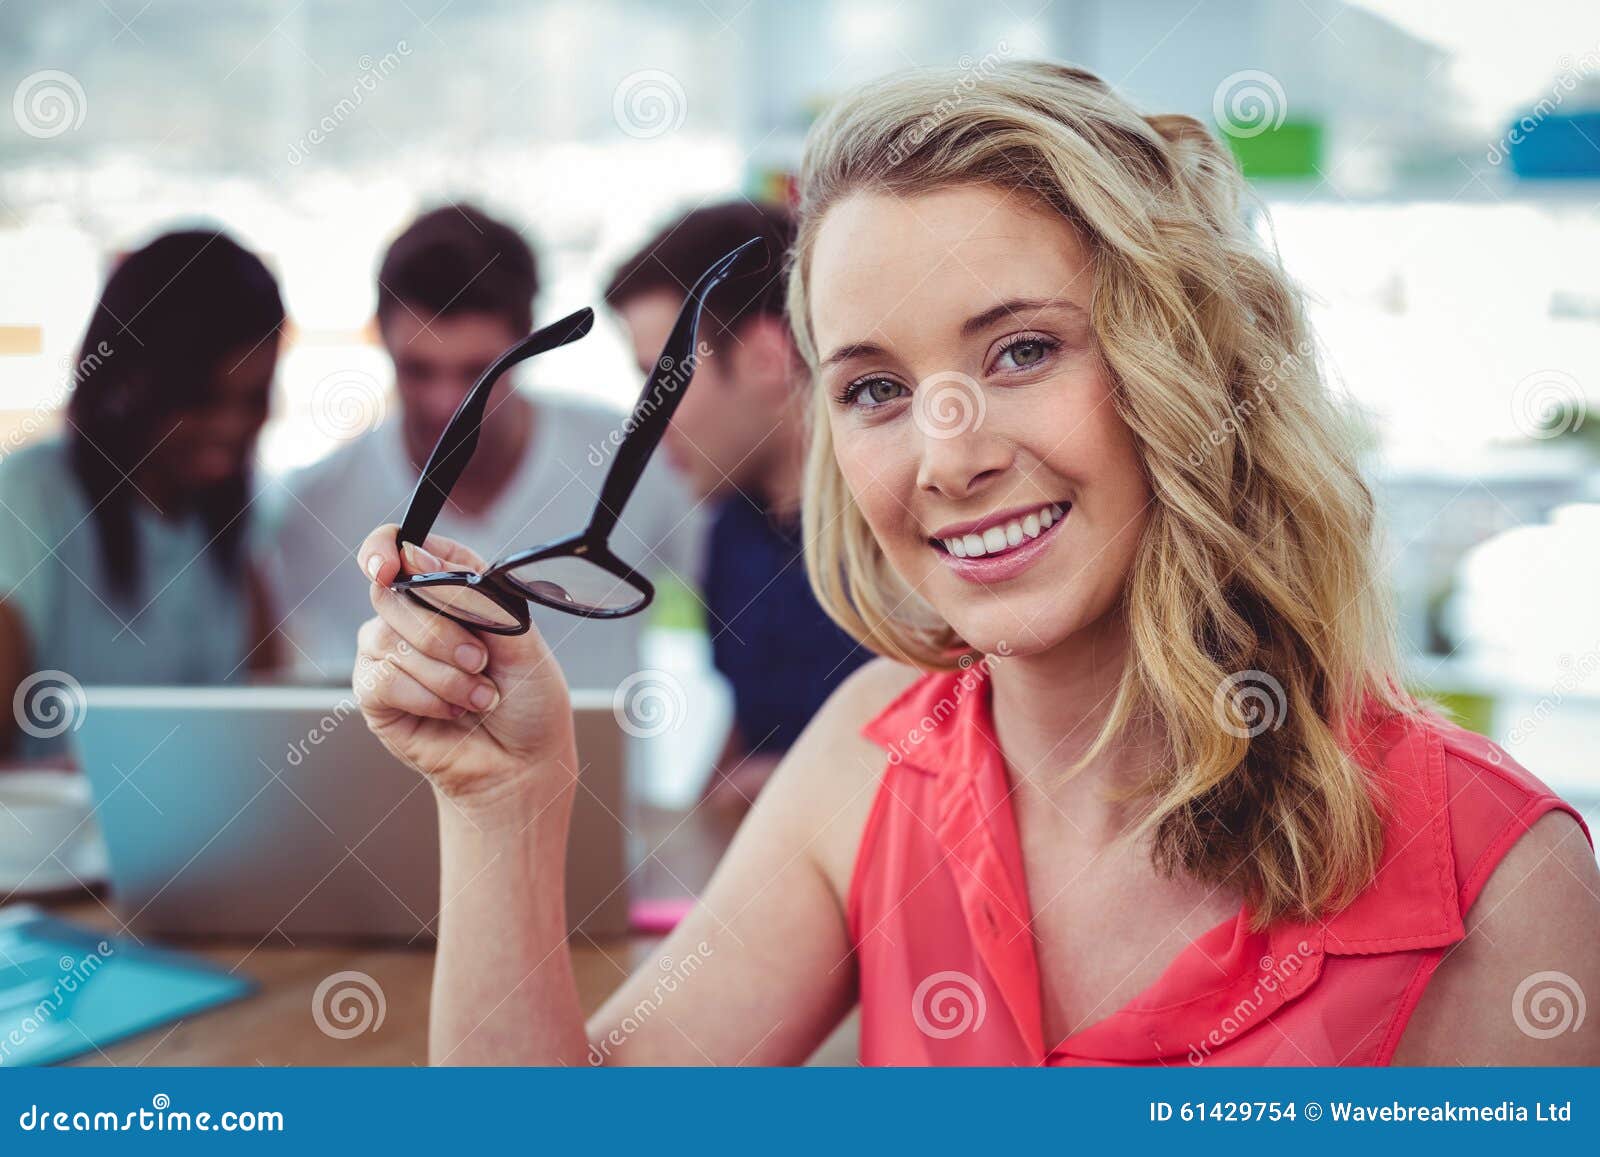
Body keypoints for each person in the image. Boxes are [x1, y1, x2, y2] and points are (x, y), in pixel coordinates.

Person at [351, 62, 1600, 1065]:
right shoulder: (868, 756)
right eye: (878, 388)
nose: (944, 459)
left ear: (1185, 367)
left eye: (1019, 353)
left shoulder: (1504, 880)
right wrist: (502, 805)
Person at [268, 204, 704, 689]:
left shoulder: (639, 460)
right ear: (382, 340)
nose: (446, 405)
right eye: (418, 369)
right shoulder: (314, 504)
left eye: (478, 374)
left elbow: (744, 616)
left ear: (529, 341)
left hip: (590, 766)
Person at [605, 203, 869, 809]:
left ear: (765, 358)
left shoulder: (904, 531)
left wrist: (811, 788)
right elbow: (756, 736)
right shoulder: (732, 529)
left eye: (662, 378)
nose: (645, 419)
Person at [0, 229, 284, 759]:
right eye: (201, 398)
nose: (231, 426)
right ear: (127, 381)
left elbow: (274, 725)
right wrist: (74, 787)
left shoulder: (237, 519)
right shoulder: (28, 497)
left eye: (253, 398)